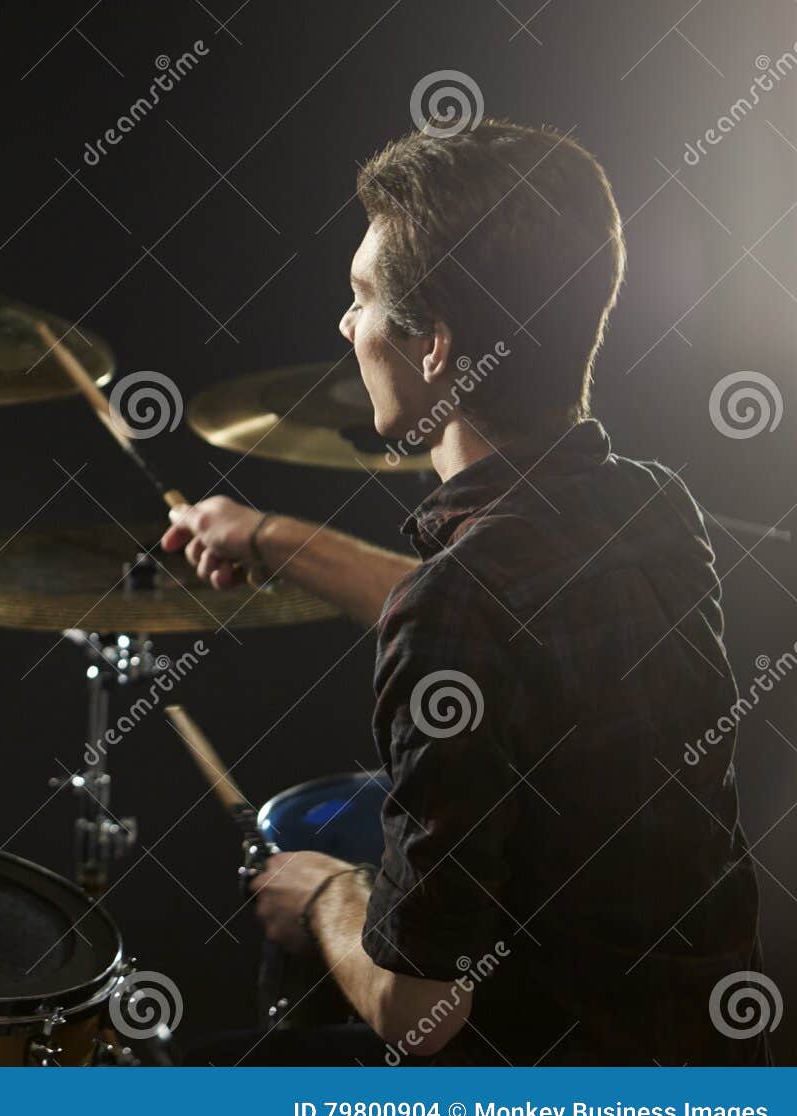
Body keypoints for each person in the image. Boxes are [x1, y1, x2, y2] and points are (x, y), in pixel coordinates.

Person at [165, 120, 766, 1064]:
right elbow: (505, 609)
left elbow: (423, 1015)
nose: (346, 326)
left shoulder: (459, 605)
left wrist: (327, 897)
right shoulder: (656, 507)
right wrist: (270, 537)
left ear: (436, 345)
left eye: (360, 297)